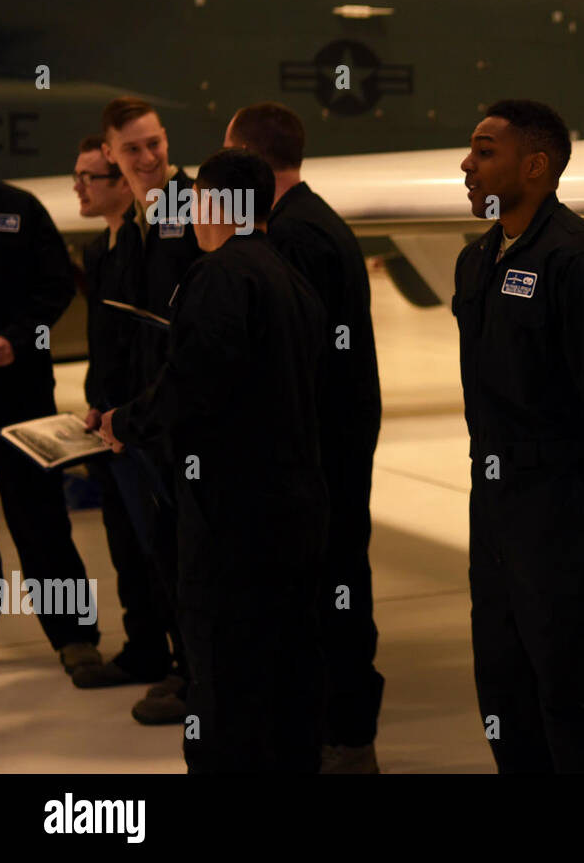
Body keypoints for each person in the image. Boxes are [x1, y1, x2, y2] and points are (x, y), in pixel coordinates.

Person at [100, 148, 328, 773]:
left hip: (233, 519)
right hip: (292, 513)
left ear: (216, 203)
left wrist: (126, 423)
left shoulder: (220, 275)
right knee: (286, 680)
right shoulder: (289, 276)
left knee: (225, 684)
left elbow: (192, 386)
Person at [454, 99, 584, 773]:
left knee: (583, 695)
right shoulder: (477, 260)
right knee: (507, 685)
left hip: (569, 516)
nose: (467, 165)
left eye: (486, 151)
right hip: (497, 508)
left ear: (535, 166)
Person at [224, 102, 384, 774]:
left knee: (330, 594)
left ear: (251, 163)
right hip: (331, 447)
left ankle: (344, 737)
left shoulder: (293, 239)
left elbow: (297, 361)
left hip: (321, 453)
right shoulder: (310, 221)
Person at [100, 96, 202, 722]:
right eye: (132, 148)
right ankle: (183, 667)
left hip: (182, 422)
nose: (148, 158)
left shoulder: (194, 210)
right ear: (110, 153)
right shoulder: (132, 224)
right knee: (163, 552)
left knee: (192, 557)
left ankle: (201, 684)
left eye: (155, 143)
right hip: (144, 422)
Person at [70, 136, 174, 688]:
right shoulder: (97, 250)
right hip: (107, 416)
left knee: (156, 540)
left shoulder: (142, 244)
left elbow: (144, 339)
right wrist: (94, 400)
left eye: (91, 177)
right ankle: (143, 648)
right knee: (123, 539)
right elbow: (103, 339)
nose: (79, 188)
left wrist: (132, 413)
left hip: (136, 420)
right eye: (78, 176)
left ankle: (180, 661)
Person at [0, 178, 101, 671]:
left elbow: (57, 287)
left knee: (40, 520)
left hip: (20, 392)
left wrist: (17, 340)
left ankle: (75, 636)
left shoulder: (20, 208)